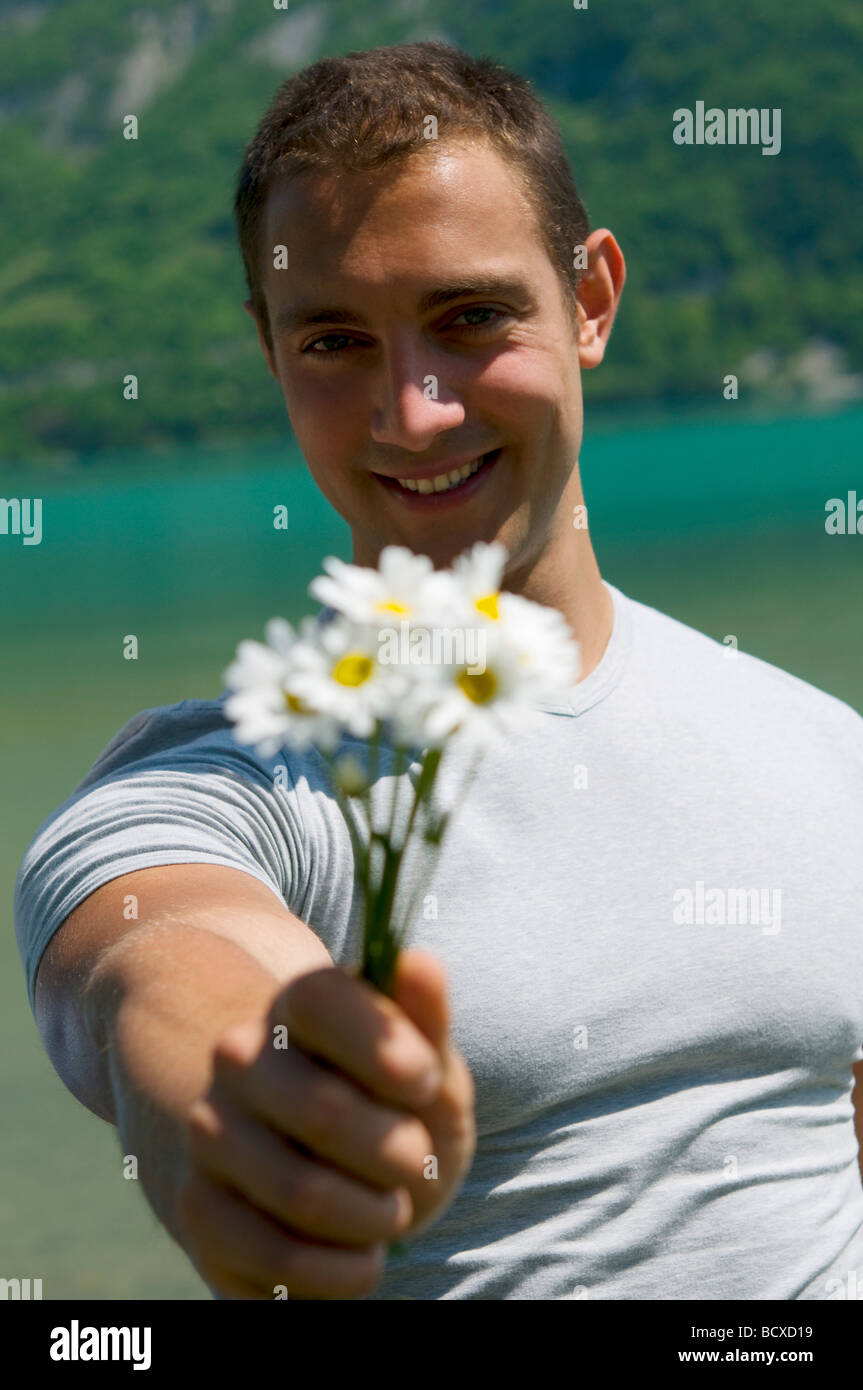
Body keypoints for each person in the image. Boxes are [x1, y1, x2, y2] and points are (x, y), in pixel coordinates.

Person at [14, 40, 863, 1302]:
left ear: (590, 300)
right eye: (335, 340)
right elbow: (160, 961)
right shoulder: (219, 793)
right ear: (267, 347)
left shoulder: (822, 747)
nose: (410, 413)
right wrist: (243, 1113)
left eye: (470, 319)